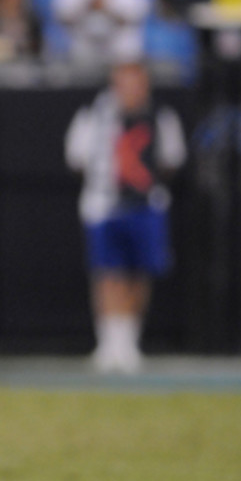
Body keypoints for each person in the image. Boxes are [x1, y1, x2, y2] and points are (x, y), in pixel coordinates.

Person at [65, 57, 186, 374]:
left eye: (137, 80)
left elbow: (171, 159)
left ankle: (129, 341)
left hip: (146, 205)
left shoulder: (161, 116)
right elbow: (77, 158)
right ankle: (109, 342)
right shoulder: (94, 115)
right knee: (108, 273)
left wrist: (141, 183)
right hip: (104, 205)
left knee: (139, 272)